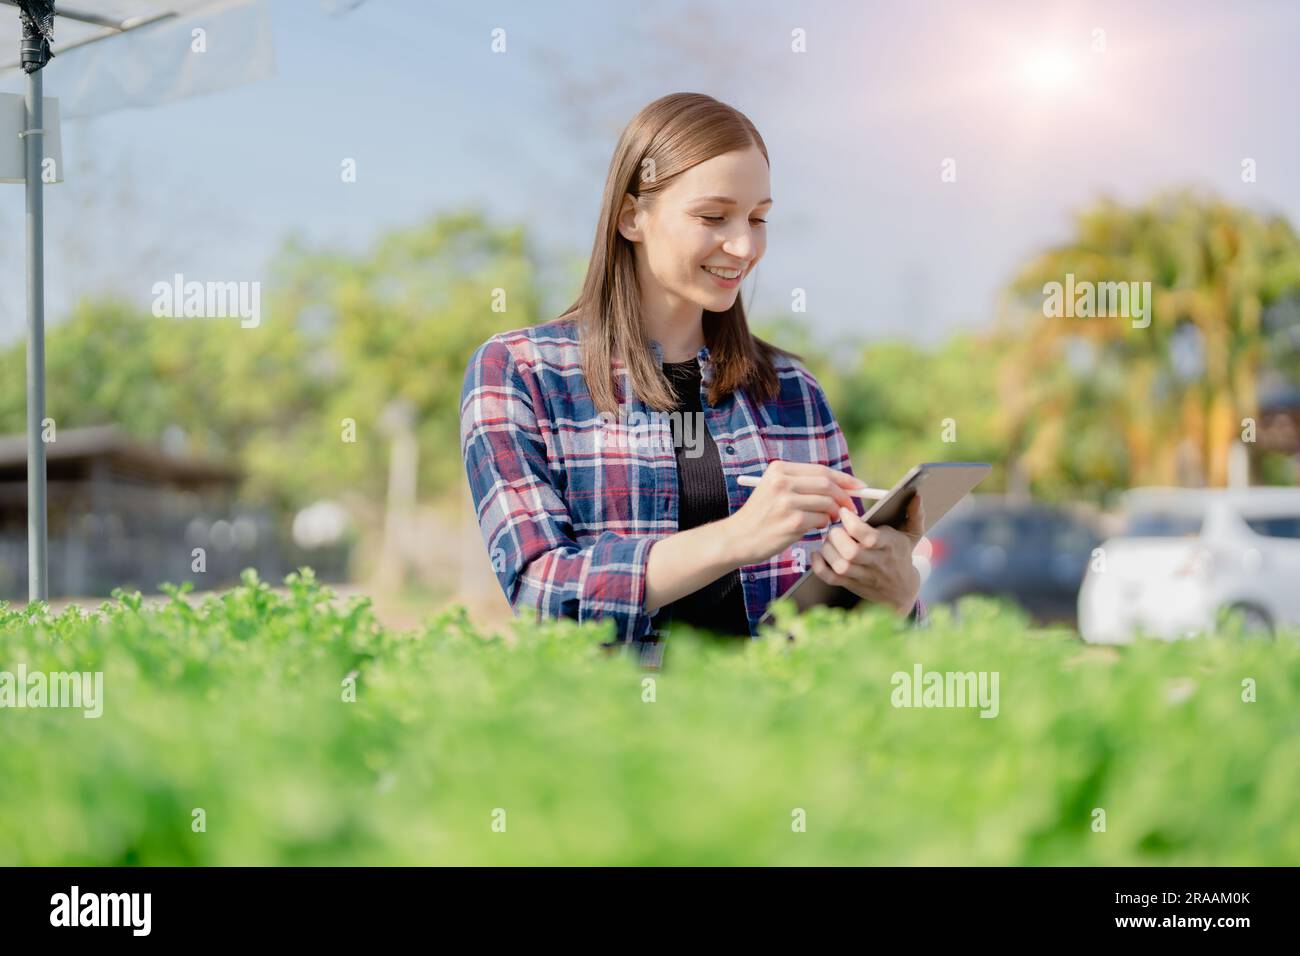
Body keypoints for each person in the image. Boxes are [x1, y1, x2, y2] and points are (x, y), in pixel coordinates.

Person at [460, 92, 924, 648]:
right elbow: (542, 593)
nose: (744, 245)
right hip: (611, 729)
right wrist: (734, 539)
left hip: (780, 727)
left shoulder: (792, 391)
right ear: (633, 215)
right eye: (713, 216)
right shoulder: (521, 373)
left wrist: (893, 600)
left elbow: (830, 639)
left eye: (758, 218)